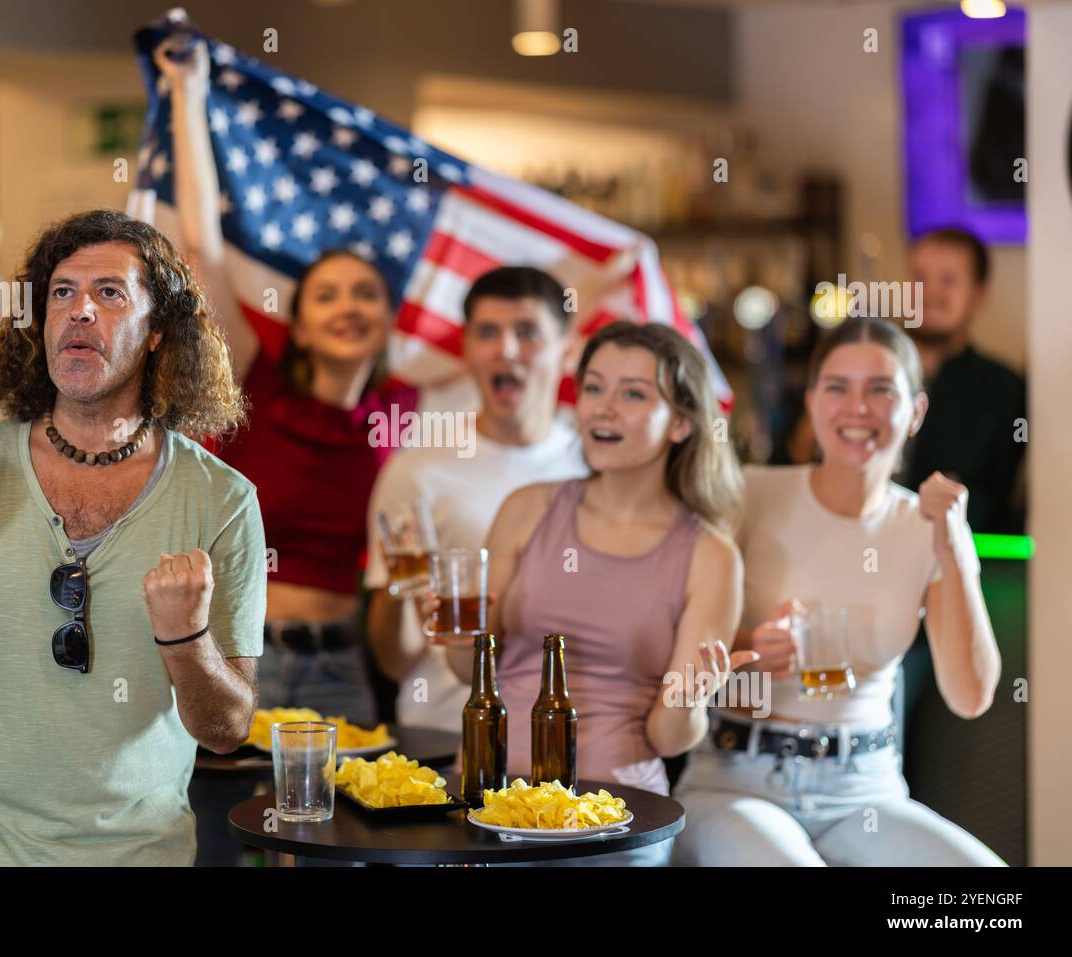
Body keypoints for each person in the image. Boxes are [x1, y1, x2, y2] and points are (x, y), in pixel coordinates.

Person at [0, 209, 266, 866]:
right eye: (62, 292)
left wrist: (186, 639)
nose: (80, 311)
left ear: (157, 332)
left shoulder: (223, 499)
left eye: (110, 293)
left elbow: (226, 730)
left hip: (137, 854)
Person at [672, 317, 1005, 867]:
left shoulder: (930, 526)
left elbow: (970, 696)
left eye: (881, 390)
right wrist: (754, 642)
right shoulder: (747, 495)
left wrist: (955, 553)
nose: (858, 408)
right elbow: (675, 640)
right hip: (737, 783)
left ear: (915, 411)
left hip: (864, 792)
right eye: (837, 387)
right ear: (811, 401)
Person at [154, 36, 415, 727]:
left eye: (365, 294)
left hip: (343, 662)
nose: (349, 307)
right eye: (327, 296)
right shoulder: (255, 384)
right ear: (297, 325)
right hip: (241, 653)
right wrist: (189, 95)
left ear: (389, 321)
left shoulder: (409, 412)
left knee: (338, 830)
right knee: (229, 830)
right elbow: (200, 252)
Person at [440, 321, 756, 866]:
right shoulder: (528, 508)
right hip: (486, 804)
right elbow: (465, 666)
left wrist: (689, 697)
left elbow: (670, 735)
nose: (603, 408)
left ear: (681, 422)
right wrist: (453, 631)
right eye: (593, 387)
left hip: (614, 820)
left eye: (633, 393)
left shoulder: (711, 555)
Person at [364, 266, 590, 733]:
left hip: (572, 737)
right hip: (443, 734)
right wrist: (398, 586)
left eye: (527, 332)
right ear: (467, 349)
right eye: (488, 332)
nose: (506, 349)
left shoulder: (596, 465)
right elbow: (394, 660)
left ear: (568, 350)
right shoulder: (417, 469)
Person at [903, 227, 1026, 533]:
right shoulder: (866, 373)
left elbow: (997, 497)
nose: (930, 292)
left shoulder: (1004, 390)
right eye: (920, 278)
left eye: (948, 280)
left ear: (978, 295)